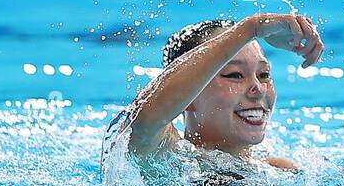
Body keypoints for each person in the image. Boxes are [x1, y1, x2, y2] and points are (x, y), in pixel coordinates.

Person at [102, 13, 324, 176]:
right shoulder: (165, 155)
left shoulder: (280, 171)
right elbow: (142, 120)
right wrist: (251, 28)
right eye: (235, 75)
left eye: (264, 74)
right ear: (190, 93)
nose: (258, 88)